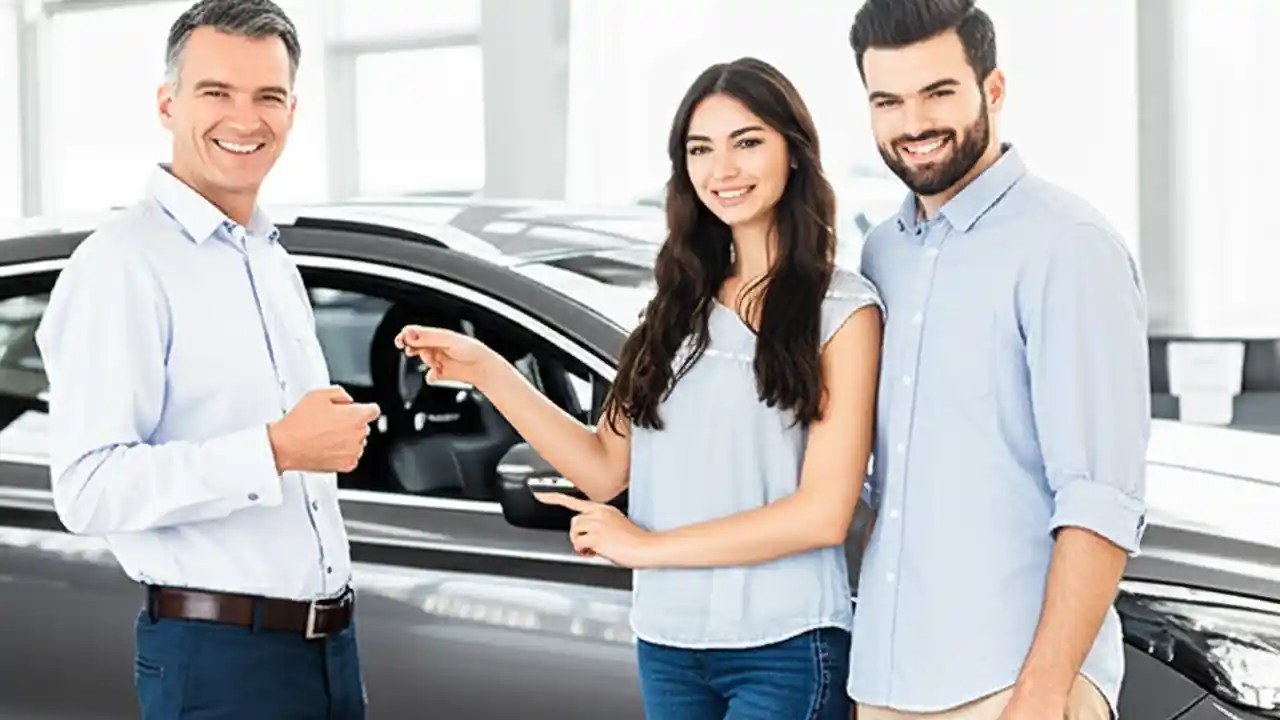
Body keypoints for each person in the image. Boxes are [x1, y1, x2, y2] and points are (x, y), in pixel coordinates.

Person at [397, 57, 882, 720]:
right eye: (700, 150)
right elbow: (603, 467)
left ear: (793, 152)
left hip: (784, 645)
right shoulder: (673, 310)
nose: (723, 169)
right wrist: (487, 370)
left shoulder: (844, 311)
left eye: (746, 142)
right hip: (668, 644)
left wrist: (649, 548)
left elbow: (822, 513)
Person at [35, 1, 378, 717]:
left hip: (328, 652)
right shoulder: (123, 263)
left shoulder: (269, 258)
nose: (245, 119)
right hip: (221, 662)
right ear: (168, 104)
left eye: (268, 96)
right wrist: (275, 449)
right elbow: (88, 488)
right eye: (217, 92)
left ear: (292, 112)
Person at [844, 1, 1150, 719]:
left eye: (938, 93)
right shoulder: (882, 253)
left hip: (1013, 685)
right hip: (888, 683)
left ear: (994, 89)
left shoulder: (1068, 246)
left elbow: (1101, 497)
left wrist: (1042, 691)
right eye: (888, 101)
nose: (913, 122)